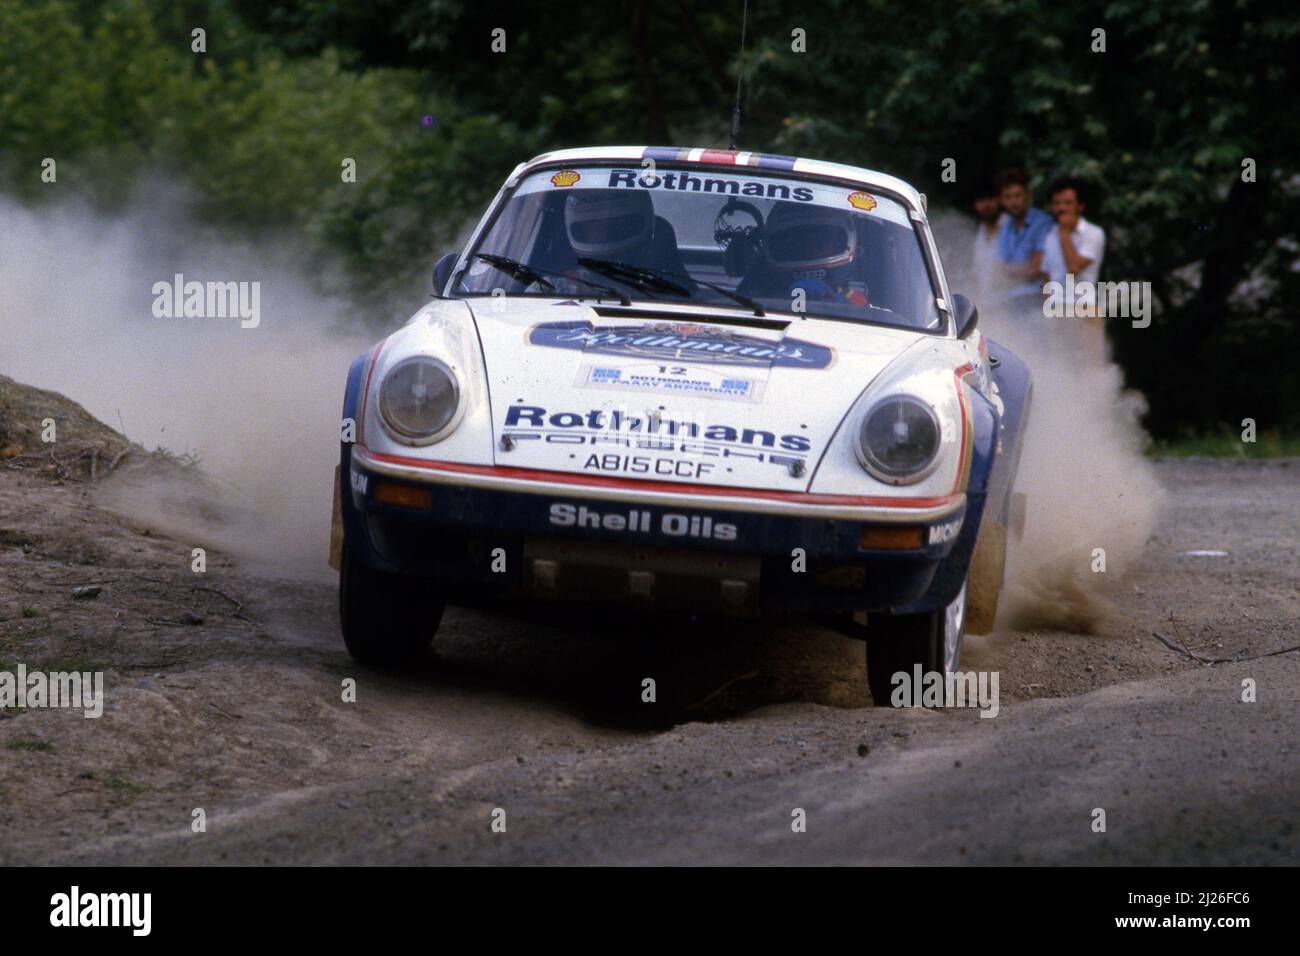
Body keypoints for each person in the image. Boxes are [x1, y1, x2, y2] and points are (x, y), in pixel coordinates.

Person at [738, 202, 869, 311]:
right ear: (773, 246)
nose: (809, 249)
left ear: (845, 243)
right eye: (795, 241)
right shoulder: (754, 292)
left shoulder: (863, 298)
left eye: (819, 241)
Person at [1038, 176, 1106, 357]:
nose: (1062, 208)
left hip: (1084, 309)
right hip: (1057, 312)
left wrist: (1064, 233)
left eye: (1068, 203)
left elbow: (1074, 267)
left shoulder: (1093, 234)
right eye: (1057, 203)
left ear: (1080, 206)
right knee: (1060, 364)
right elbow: (1047, 276)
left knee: (1089, 365)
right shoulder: (1050, 236)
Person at [993, 168, 1053, 314]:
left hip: (1037, 299)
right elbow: (998, 271)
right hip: (1010, 300)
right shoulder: (1005, 226)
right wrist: (1020, 269)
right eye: (1007, 197)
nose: (1013, 202)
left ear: (1028, 195)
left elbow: (1036, 270)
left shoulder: (1043, 222)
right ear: (1001, 200)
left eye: (1017, 195)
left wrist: (1010, 270)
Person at [970, 181, 1007, 310]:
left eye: (990, 199)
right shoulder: (980, 232)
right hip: (986, 304)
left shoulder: (1011, 226)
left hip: (1010, 302)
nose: (986, 205)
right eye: (981, 201)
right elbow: (976, 274)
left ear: (999, 200)